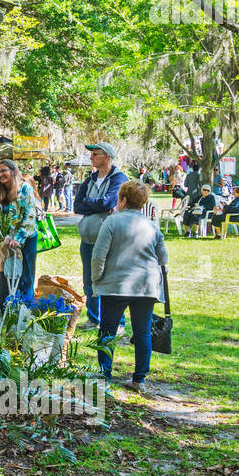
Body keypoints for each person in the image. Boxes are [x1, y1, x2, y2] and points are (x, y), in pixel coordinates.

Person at [90, 180, 168, 393]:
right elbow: (163, 258)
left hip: (116, 284)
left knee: (107, 331)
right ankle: (139, 378)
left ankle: (104, 374)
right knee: (143, 332)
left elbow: (99, 255)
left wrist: (96, 279)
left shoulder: (112, 222)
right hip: (146, 285)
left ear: (123, 200)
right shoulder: (152, 226)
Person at [74, 142, 129, 328]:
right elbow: (76, 206)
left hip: (109, 239)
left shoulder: (119, 178)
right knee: (89, 281)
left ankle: (117, 323)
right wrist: (95, 205)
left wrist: (90, 204)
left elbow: (108, 202)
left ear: (106, 157)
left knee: (111, 280)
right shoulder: (90, 179)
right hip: (87, 239)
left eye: (95, 154)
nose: (91, 157)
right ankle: (94, 319)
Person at [0, 159, 38, 315]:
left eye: (4, 170)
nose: (1, 174)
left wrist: (18, 238)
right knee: (4, 275)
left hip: (25, 238)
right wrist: (1, 237)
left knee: (25, 276)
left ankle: (25, 314)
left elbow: (30, 216)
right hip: (4, 240)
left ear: (13, 171)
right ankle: (3, 313)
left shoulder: (25, 188)